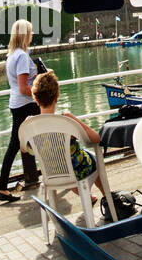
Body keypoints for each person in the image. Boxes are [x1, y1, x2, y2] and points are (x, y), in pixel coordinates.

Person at [30, 72, 107, 200]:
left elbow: (23, 148)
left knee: (63, 162)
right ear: (57, 97)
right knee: (91, 158)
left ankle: (88, 197)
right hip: (75, 171)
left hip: (51, 172)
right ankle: (108, 198)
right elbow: (96, 138)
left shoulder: (30, 124)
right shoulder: (66, 120)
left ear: (36, 99)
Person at [0, 19, 40, 202]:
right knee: (44, 137)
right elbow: (23, 87)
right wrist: (41, 91)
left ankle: (2, 188)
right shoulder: (21, 56)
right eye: (30, 32)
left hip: (17, 104)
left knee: (16, 145)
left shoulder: (13, 55)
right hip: (26, 104)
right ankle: (61, 173)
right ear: (25, 35)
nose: (32, 35)